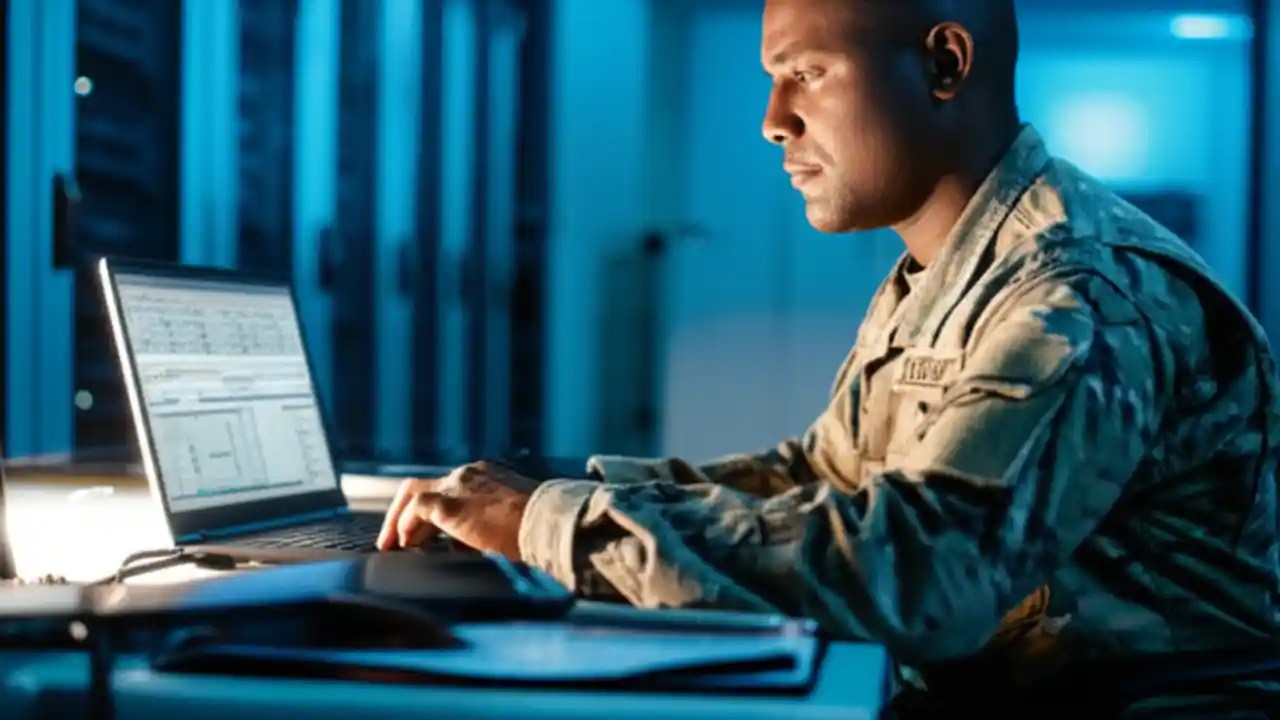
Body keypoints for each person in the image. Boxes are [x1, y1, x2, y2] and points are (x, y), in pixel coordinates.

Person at [378, 0, 1280, 712]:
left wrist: (555, 527)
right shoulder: (951, 267)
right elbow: (826, 476)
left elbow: (929, 571)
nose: (774, 120)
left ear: (943, 65)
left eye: (806, 74)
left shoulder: (1077, 293)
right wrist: (554, 496)